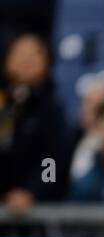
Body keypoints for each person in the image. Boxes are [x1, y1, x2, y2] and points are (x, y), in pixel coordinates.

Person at [0, 32, 66, 212]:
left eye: (35, 54)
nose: (27, 60)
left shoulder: (51, 109)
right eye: (20, 53)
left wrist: (33, 192)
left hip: (36, 211)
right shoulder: (4, 104)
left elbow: (53, 160)